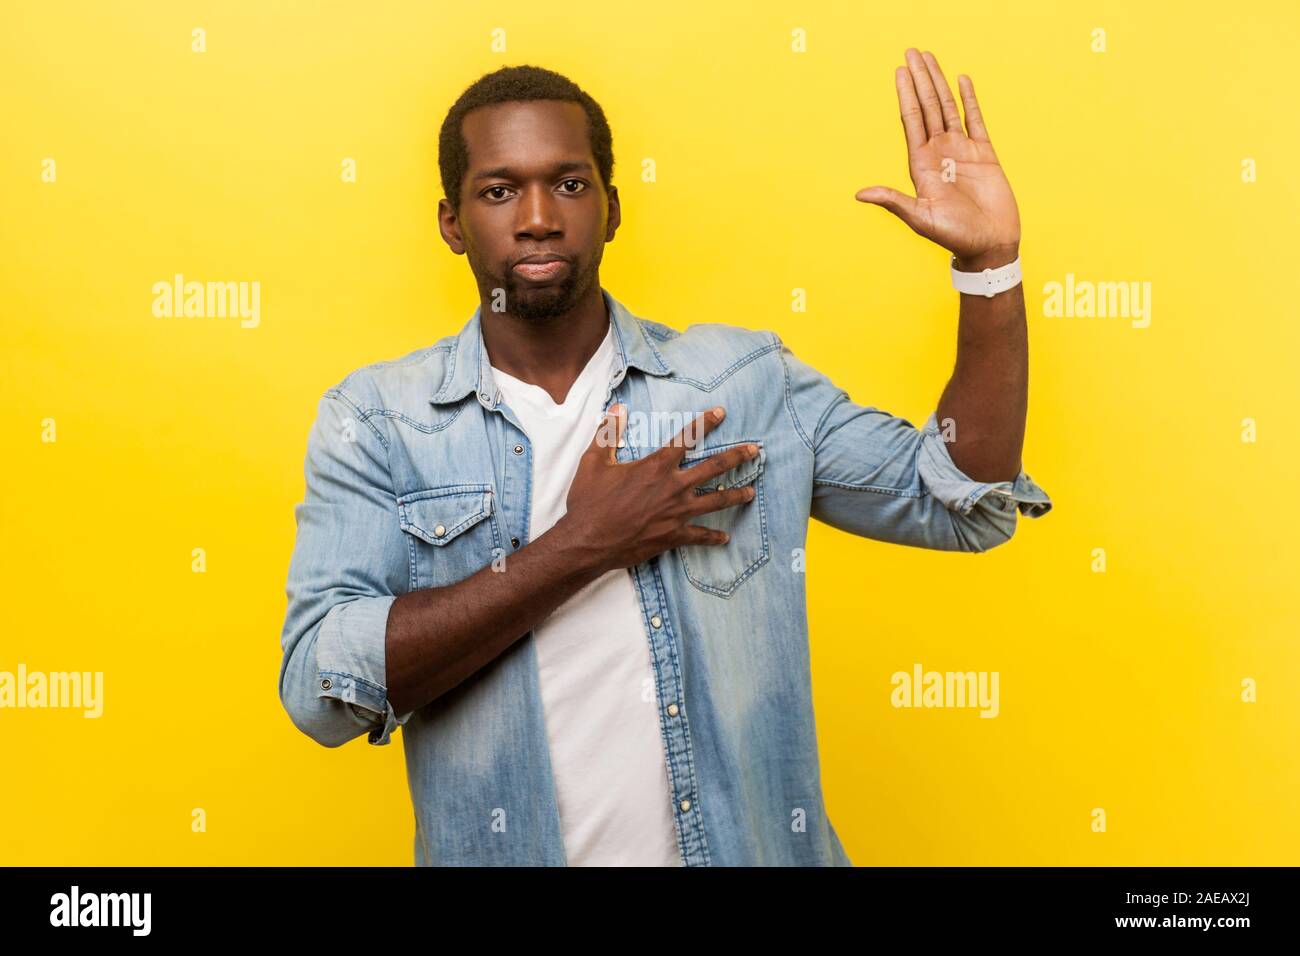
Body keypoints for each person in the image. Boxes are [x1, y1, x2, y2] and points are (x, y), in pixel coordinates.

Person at [277, 50, 1053, 866]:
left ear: (612, 209)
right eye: (499, 190)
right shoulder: (377, 421)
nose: (538, 216)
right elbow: (322, 692)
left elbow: (962, 500)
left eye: (570, 184)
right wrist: (586, 542)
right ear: (451, 221)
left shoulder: (741, 383)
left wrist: (988, 269)